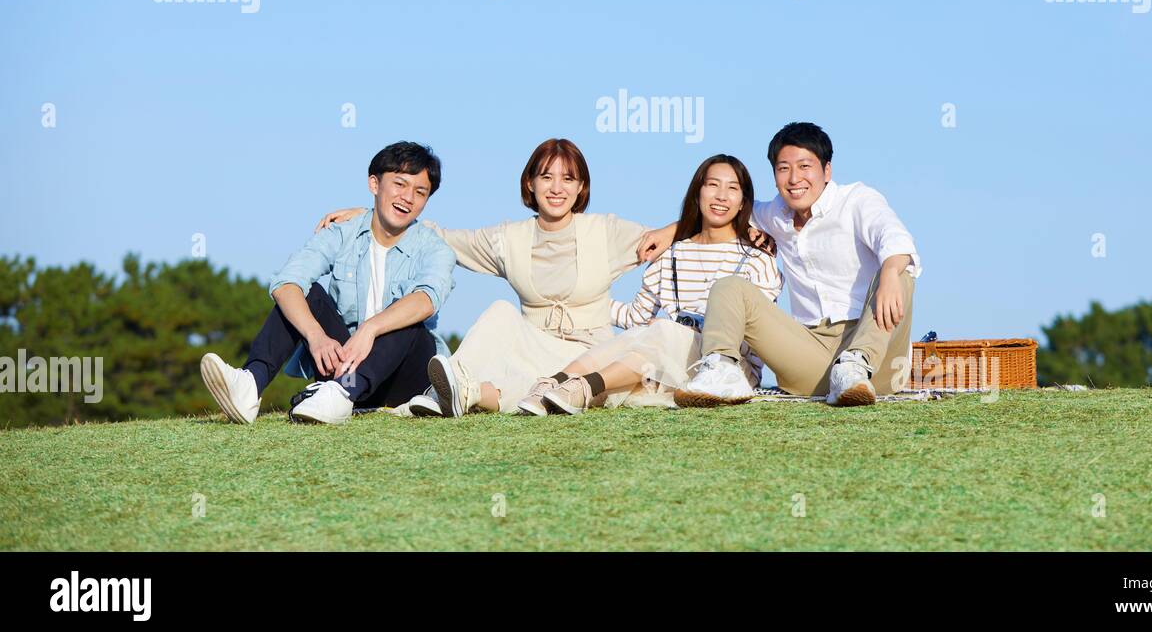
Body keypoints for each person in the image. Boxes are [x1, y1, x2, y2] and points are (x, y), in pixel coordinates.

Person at [317, 138, 651, 417]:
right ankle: (447, 390)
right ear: (530, 184)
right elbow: (443, 238)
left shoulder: (606, 231)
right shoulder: (510, 238)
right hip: (532, 349)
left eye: (568, 179)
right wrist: (371, 214)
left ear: (581, 188)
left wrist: (672, 231)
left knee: (527, 385)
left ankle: (463, 395)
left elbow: (676, 238)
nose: (556, 188)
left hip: (590, 354)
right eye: (546, 177)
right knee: (501, 311)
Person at [638, 122, 920, 407]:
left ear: (827, 170)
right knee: (730, 287)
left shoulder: (857, 200)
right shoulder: (774, 214)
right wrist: (670, 232)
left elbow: (895, 239)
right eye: (784, 168)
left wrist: (888, 274)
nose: (795, 178)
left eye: (805, 166)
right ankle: (723, 371)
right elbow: (725, 210)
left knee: (900, 271)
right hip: (812, 356)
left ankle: (854, 365)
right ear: (775, 176)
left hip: (876, 360)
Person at [199, 142, 456, 425]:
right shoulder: (340, 234)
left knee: (408, 317)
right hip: (342, 364)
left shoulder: (435, 249)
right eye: (399, 184)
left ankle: (341, 394)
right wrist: (315, 335)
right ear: (374, 183)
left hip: (402, 378)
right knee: (307, 295)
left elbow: (426, 299)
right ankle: (250, 385)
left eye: (420, 193)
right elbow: (285, 283)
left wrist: (370, 329)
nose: (407, 198)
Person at [526, 154, 782, 415]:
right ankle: (554, 384)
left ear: (743, 203)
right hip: (669, 359)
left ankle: (585, 387)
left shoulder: (757, 259)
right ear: (698, 193)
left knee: (665, 332)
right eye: (713, 185)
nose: (721, 196)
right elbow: (636, 316)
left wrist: (683, 330)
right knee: (638, 335)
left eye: (732, 188)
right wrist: (582, 301)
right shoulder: (670, 254)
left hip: (728, 369)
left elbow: (759, 335)